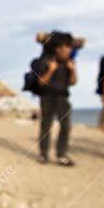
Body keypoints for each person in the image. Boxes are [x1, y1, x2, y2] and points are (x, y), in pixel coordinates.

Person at [37, 33, 77, 166]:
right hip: (47, 97)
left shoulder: (70, 62)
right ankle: (43, 154)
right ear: (57, 49)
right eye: (66, 47)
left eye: (70, 47)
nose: (68, 50)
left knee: (66, 126)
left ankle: (61, 155)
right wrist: (51, 70)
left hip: (63, 97)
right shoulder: (46, 60)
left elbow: (73, 82)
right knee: (46, 126)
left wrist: (72, 70)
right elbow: (41, 82)